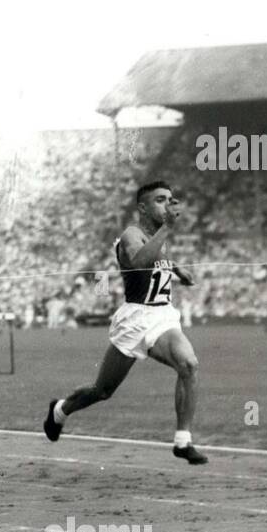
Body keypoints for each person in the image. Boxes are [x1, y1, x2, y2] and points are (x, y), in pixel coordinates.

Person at [43, 181, 208, 465]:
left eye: (171, 199)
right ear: (142, 207)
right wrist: (168, 228)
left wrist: (179, 271)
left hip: (162, 316)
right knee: (102, 391)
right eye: (160, 200)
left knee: (189, 364)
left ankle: (183, 441)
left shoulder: (158, 235)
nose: (168, 204)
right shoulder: (132, 234)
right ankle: (59, 410)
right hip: (135, 320)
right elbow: (137, 261)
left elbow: (159, 259)